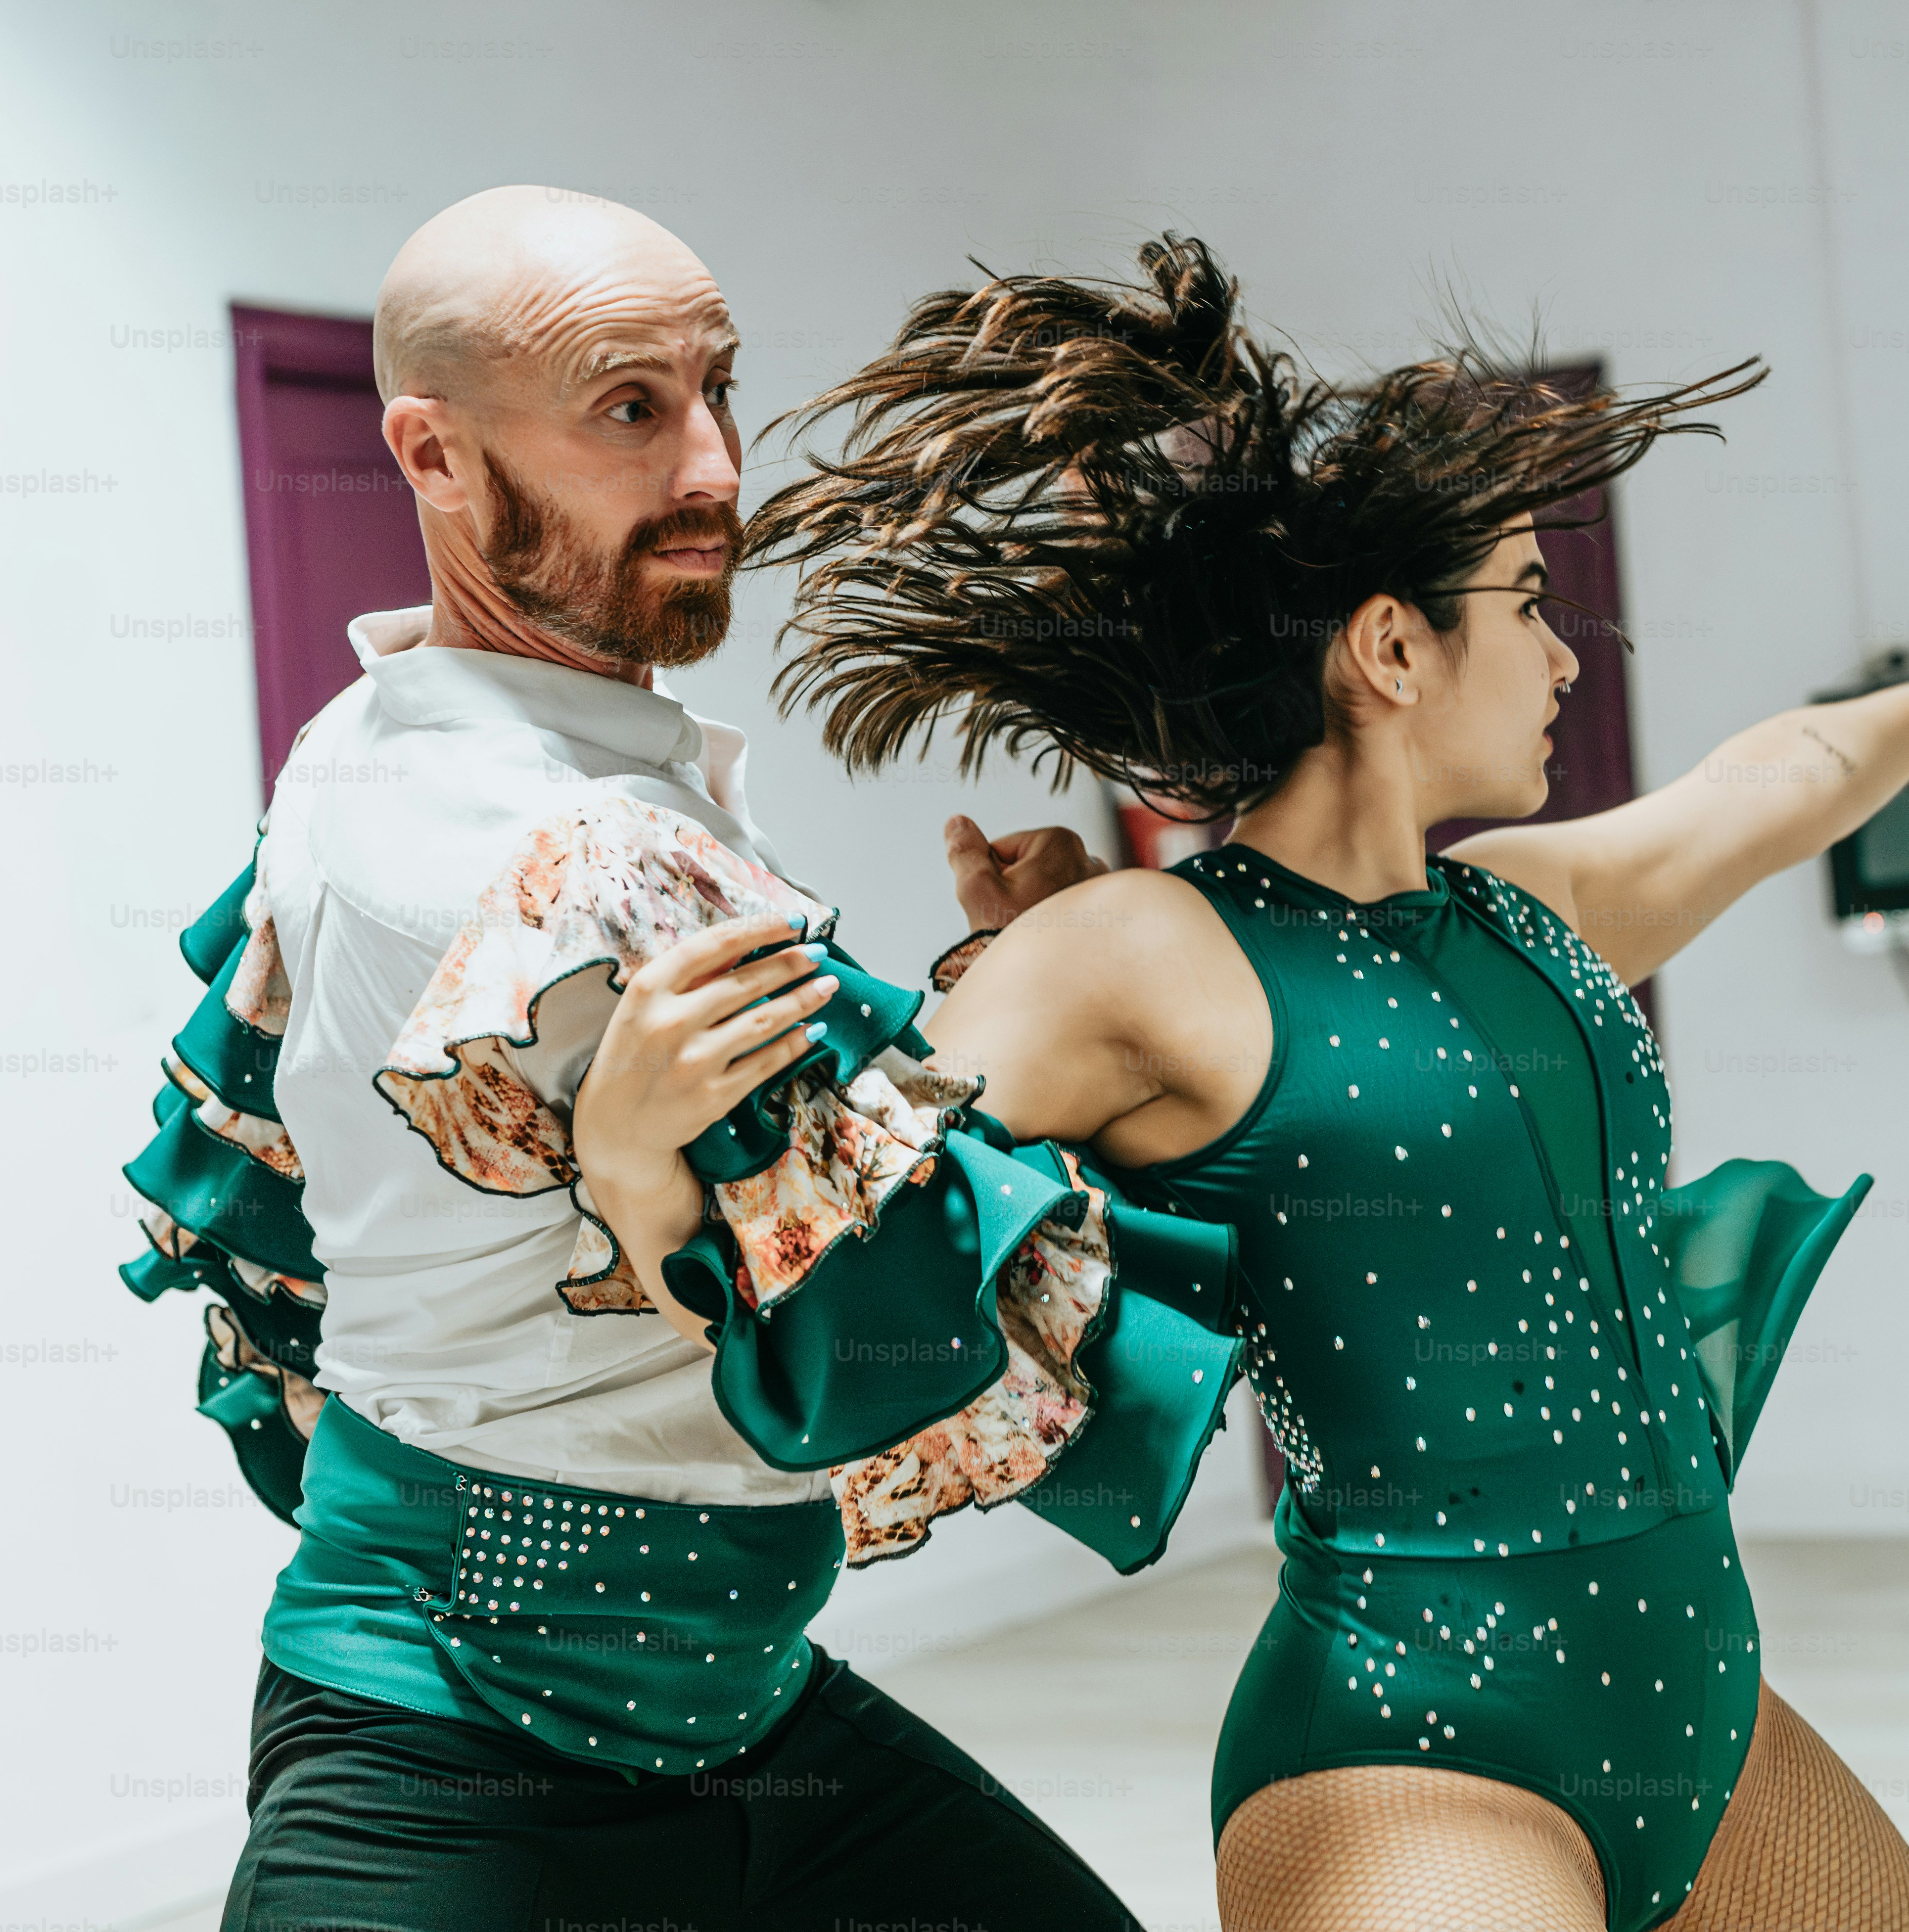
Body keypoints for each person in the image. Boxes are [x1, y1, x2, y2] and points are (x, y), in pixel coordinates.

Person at [676, 235, 1909, 1928]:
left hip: (1701, 1714)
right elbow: (823, 1199)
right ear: (1391, 647)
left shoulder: (1529, 908)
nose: (1564, 659)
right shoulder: (1142, 945)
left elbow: (1763, 791)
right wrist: (993, 976)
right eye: (1527, 603)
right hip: (1411, 1755)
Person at [117, 188, 1243, 1932]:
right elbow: (899, 1259)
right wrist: (1080, 979)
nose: (715, 466)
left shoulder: (389, 738)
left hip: (740, 1712)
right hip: (456, 1753)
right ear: (431, 455)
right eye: (630, 410)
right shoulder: (557, 849)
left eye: (717, 388)